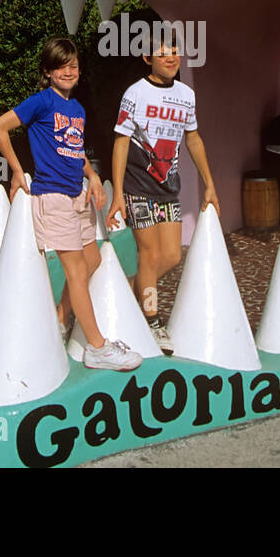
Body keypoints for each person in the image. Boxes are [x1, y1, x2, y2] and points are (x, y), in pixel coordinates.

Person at [0, 36, 141, 372]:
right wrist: (16, 170)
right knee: (75, 271)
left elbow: (75, 151)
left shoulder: (77, 109)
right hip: (52, 196)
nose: (69, 71)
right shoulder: (41, 103)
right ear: (48, 71)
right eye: (61, 66)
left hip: (78, 195)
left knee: (92, 260)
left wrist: (95, 178)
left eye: (73, 65)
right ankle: (97, 348)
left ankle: (58, 320)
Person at [107, 35, 218, 353]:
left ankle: (126, 294)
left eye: (174, 52)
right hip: (138, 187)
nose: (170, 58)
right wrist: (117, 194)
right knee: (150, 256)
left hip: (168, 189)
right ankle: (152, 321)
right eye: (162, 53)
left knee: (171, 255)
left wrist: (209, 182)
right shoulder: (135, 93)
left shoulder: (186, 95)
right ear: (147, 58)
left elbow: (193, 139)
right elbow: (121, 142)